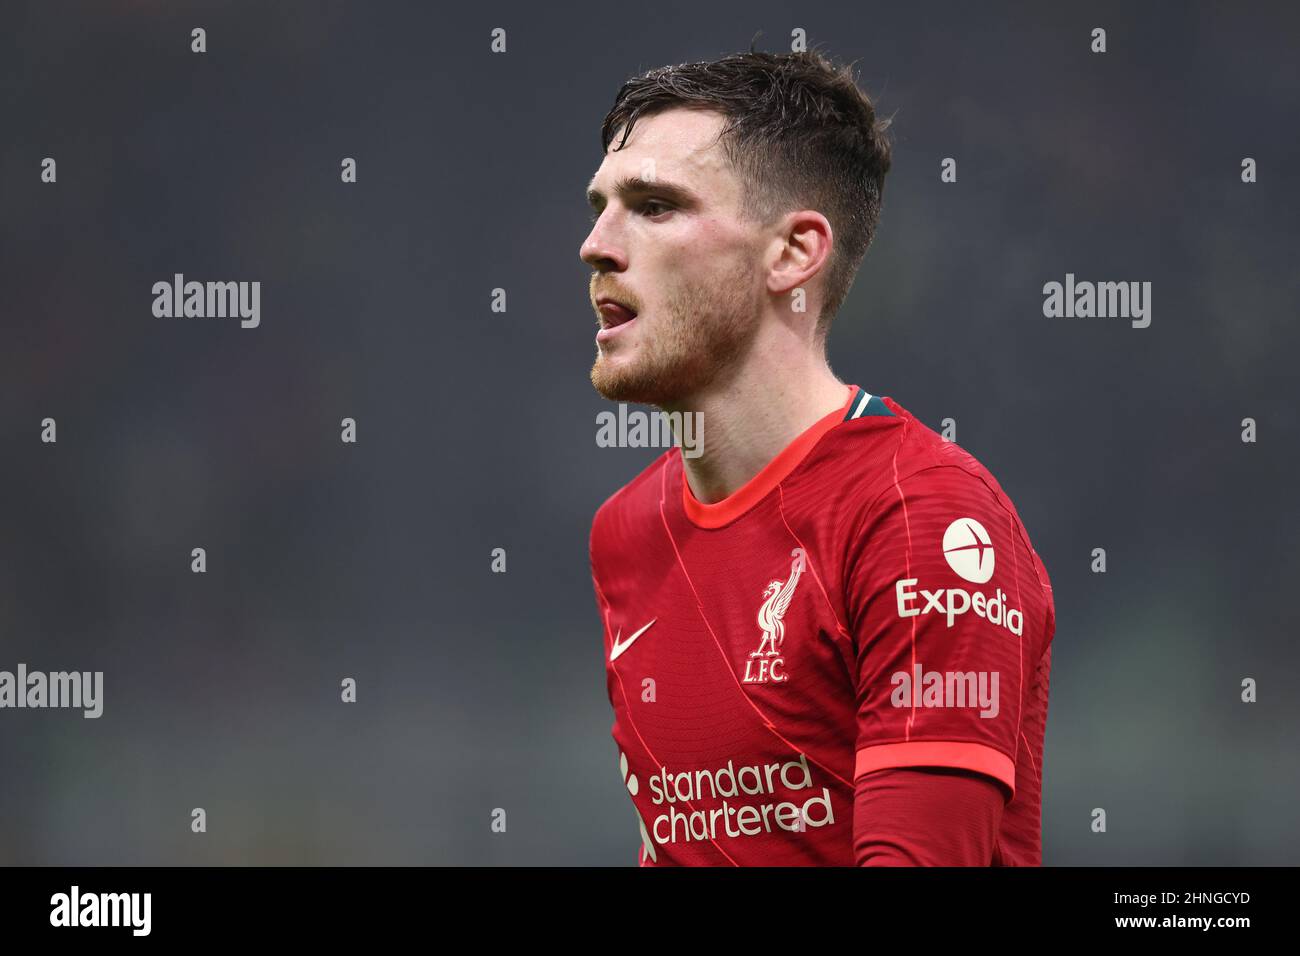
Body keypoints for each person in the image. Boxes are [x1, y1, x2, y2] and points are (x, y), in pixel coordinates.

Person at [582, 49, 1054, 865]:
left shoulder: (922, 518)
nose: (596, 245)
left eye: (654, 207)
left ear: (795, 255)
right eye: (600, 207)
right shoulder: (625, 532)